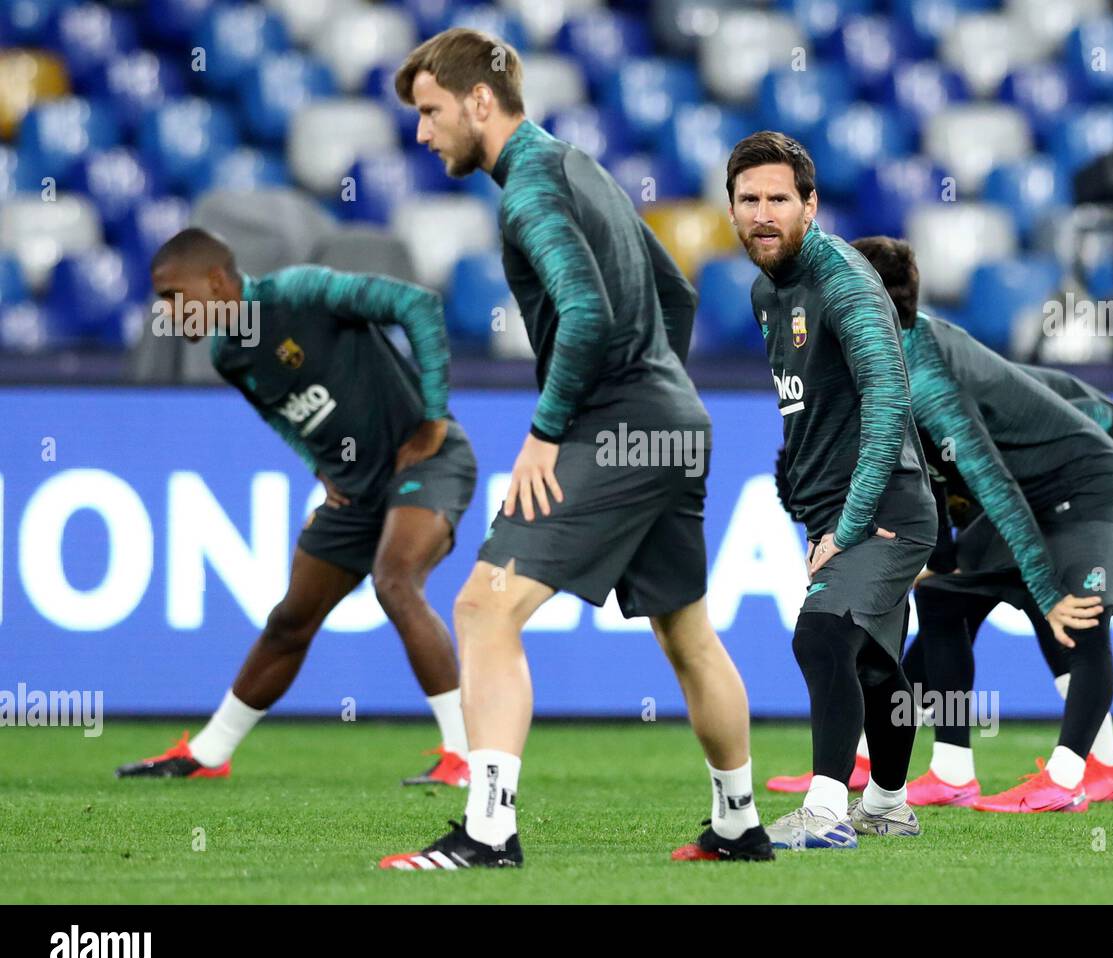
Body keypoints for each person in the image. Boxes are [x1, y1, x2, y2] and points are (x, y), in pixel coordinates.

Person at [380, 29, 773, 871]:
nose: (422, 133)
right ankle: (739, 822)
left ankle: (487, 832)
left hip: (618, 422)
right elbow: (675, 287)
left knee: (485, 607)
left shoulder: (527, 190)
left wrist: (551, 430)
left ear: (479, 101)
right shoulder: (579, 164)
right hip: (672, 419)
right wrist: (661, 384)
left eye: (429, 111)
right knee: (688, 634)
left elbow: (588, 314)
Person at [116, 228, 476, 788]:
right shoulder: (229, 353)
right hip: (356, 491)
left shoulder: (300, 292)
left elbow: (417, 304)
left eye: (173, 295)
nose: (167, 311)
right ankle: (209, 752)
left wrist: (433, 418)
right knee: (289, 620)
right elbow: (282, 416)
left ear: (215, 281)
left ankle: (465, 755)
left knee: (395, 580)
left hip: (424, 463)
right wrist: (319, 466)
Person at [853, 235, 1113, 813]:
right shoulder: (899, 347)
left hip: (1089, 476)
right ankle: (951, 770)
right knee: (942, 599)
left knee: (1075, 613)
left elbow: (993, 487)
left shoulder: (926, 380)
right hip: (1034, 479)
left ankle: (1074, 774)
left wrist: (1048, 588)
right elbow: (940, 473)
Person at [728, 132, 936, 849]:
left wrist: (846, 525)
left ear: (810, 205)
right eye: (748, 199)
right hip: (834, 507)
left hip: (883, 508)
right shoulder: (765, 290)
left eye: (778, 199)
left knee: (821, 635)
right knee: (874, 660)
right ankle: (887, 801)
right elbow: (808, 404)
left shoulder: (845, 281)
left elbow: (887, 398)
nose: (762, 213)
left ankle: (824, 811)